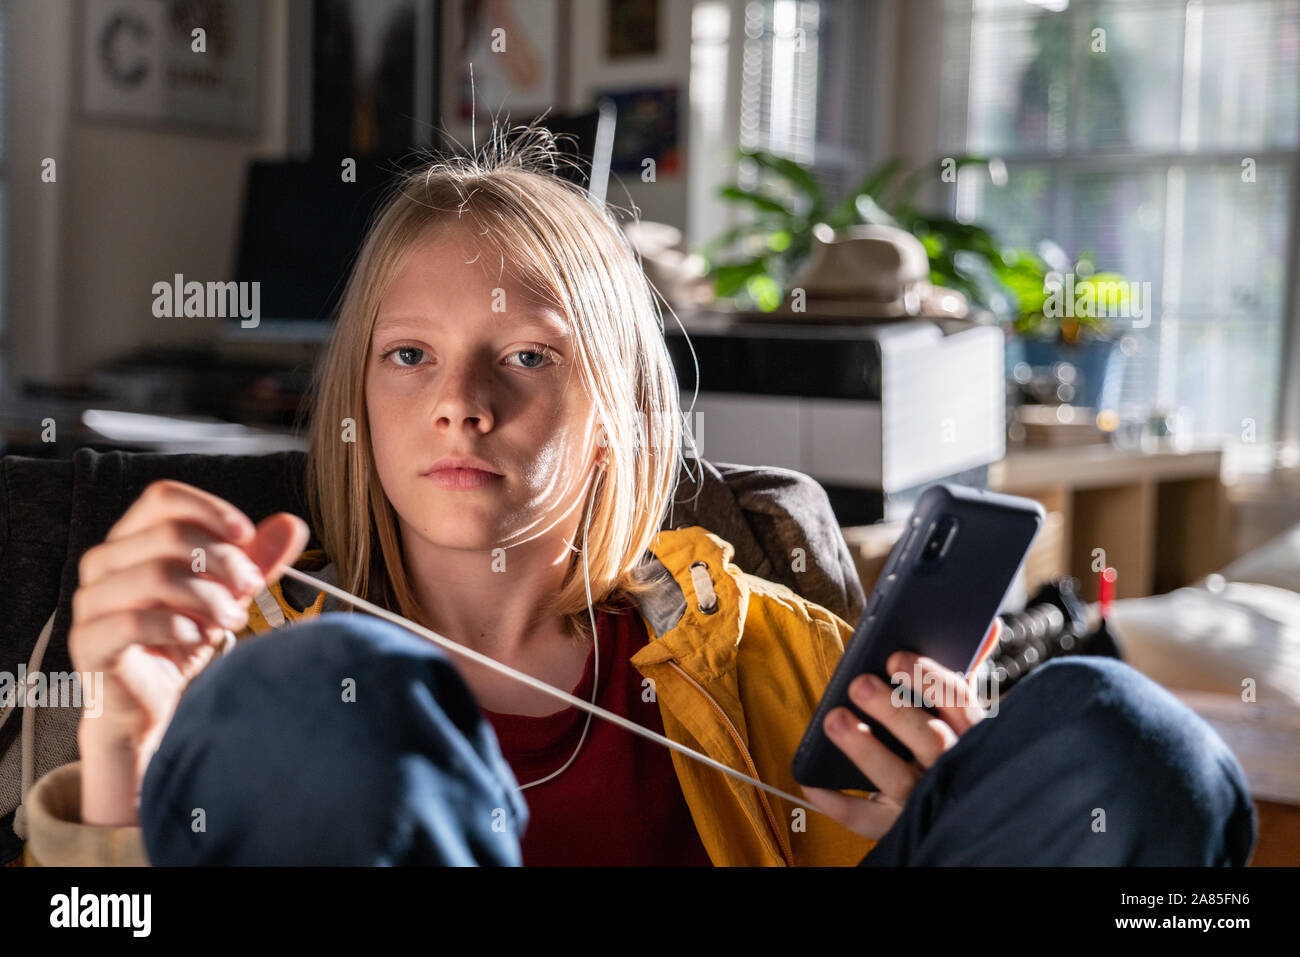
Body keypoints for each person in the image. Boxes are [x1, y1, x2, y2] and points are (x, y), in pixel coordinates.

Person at [20, 126, 1256, 867]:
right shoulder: (222, 665)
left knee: (1121, 734)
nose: (461, 401)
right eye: (410, 356)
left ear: (614, 411)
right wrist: (122, 761)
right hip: (287, 706)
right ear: (358, 396)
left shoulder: (774, 652)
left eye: (528, 357)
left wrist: (928, 824)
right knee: (320, 704)